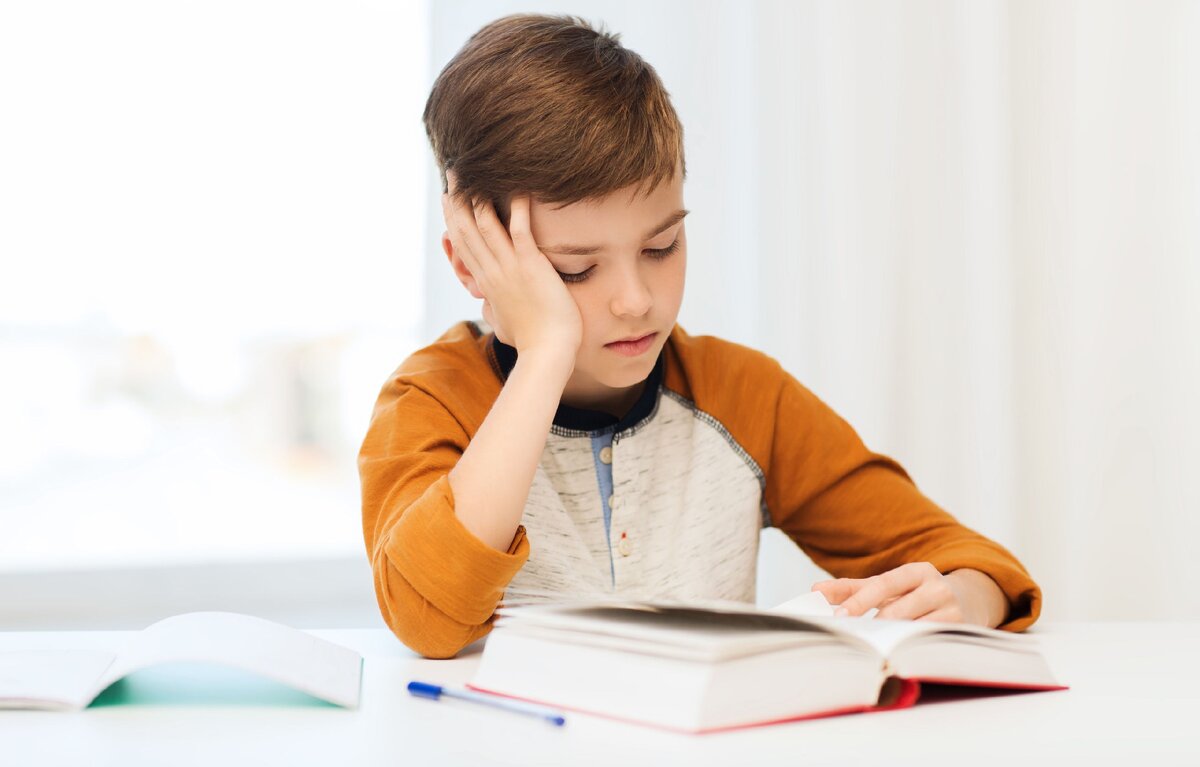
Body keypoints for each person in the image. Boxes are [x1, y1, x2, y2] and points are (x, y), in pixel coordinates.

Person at [358, 13, 1041, 659]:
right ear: (471, 262)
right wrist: (544, 355)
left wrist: (961, 598)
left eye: (662, 246)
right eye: (577, 269)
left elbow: (978, 563)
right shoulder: (430, 401)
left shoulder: (742, 395)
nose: (636, 300)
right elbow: (427, 618)